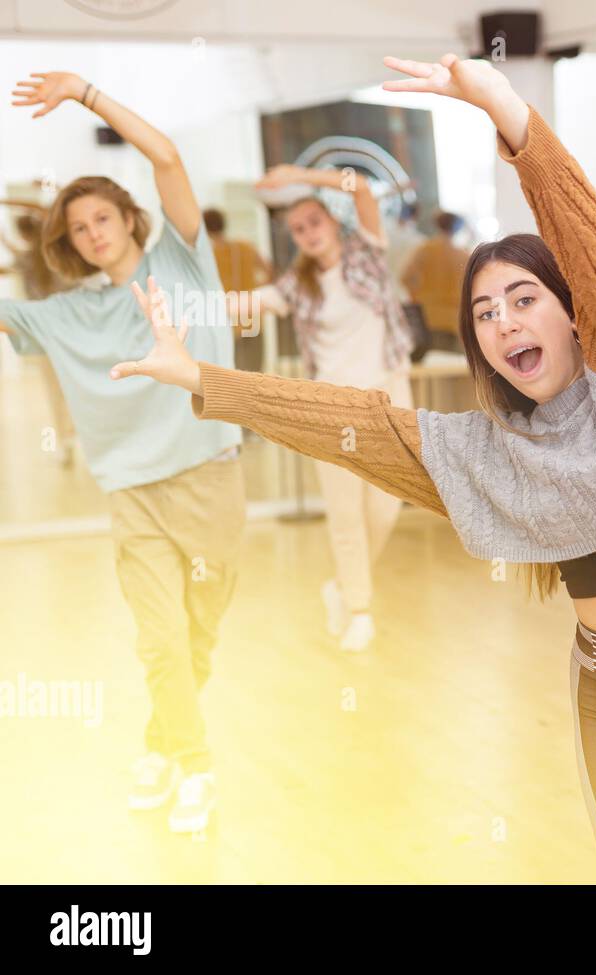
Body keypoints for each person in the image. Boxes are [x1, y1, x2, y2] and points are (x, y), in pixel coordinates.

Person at [111, 53, 596, 885]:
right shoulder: (489, 454)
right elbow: (358, 423)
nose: (504, 322)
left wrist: (508, 114)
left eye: (525, 298)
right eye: (485, 313)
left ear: (572, 313)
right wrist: (205, 380)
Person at [0, 70, 245, 834]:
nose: (94, 233)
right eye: (79, 228)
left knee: (198, 633)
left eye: (103, 216)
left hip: (210, 477)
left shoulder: (183, 264)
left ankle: (158, 742)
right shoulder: (64, 313)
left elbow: (167, 158)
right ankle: (196, 765)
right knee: (160, 636)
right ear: (70, 244)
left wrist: (85, 94)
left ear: (129, 218)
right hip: (132, 493)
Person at [230, 164, 415, 653]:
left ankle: (341, 586)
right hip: (332, 408)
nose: (308, 233)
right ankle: (358, 609)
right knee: (345, 514)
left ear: (332, 223)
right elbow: (251, 302)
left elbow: (363, 190)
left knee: (387, 506)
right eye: (297, 229)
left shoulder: (369, 255)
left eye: (314, 222)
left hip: (389, 397)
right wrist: (184, 308)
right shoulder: (297, 285)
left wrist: (296, 173)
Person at [0, 202, 77, 465]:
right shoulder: (56, 256)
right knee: (75, 385)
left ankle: (65, 441)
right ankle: (77, 435)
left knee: (55, 389)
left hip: (43, 333)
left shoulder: (25, 259)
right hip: (69, 331)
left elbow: (9, 257)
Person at [203, 207, 271, 374]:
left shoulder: (208, 255)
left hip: (226, 325)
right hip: (252, 317)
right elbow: (270, 273)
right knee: (255, 375)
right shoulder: (245, 247)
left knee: (232, 379)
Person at [402, 209, 469, 352]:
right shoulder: (464, 255)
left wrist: (416, 296)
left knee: (430, 367)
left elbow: (405, 278)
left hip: (428, 316)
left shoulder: (425, 250)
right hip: (455, 320)